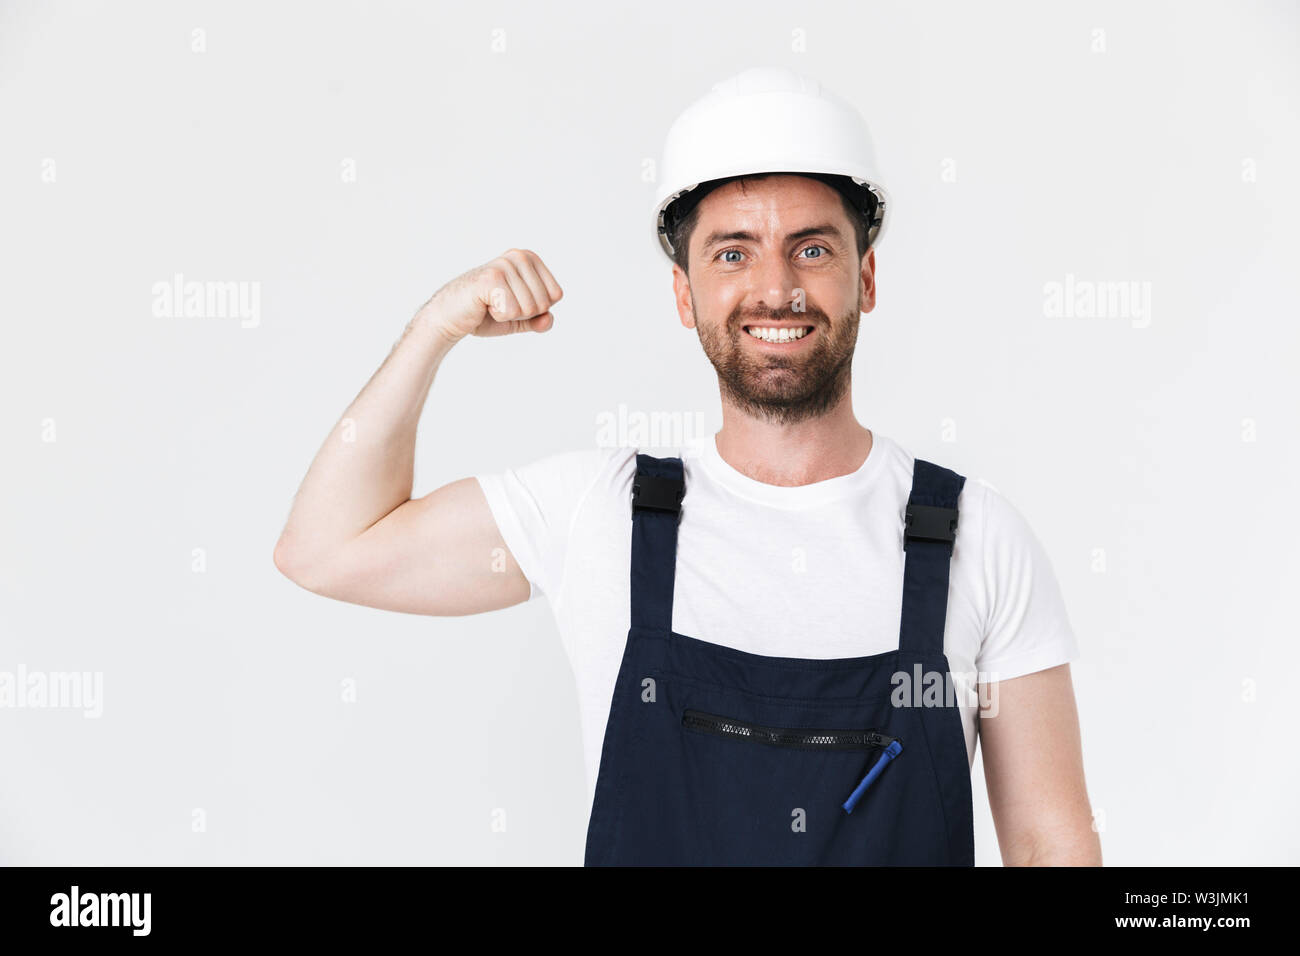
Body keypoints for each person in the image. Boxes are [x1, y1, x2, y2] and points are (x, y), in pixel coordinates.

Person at [273, 66, 1101, 866]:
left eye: (811, 249)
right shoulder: (599, 511)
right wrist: (435, 330)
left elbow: (1051, 848)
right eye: (732, 253)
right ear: (683, 294)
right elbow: (325, 549)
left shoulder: (976, 538)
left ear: (866, 276)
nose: (775, 289)